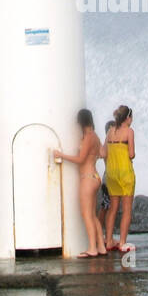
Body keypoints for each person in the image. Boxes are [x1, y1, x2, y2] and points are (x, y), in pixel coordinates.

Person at [53, 109, 107, 258]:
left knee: (86, 214)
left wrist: (61, 155)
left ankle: (92, 248)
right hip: (93, 176)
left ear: (81, 122)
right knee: (93, 215)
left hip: (87, 177)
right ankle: (101, 246)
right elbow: (102, 153)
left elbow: (80, 159)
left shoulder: (89, 137)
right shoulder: (94, 136)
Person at [103, 105, 136, 253]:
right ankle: (122, 242)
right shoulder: (129, 132)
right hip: (125, 173)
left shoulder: (110, 131)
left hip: (111, 173)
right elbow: (131, 154)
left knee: (113, 208)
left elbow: (103, 152)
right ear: (128, 118)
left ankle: (109, 240)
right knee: (127, 209)